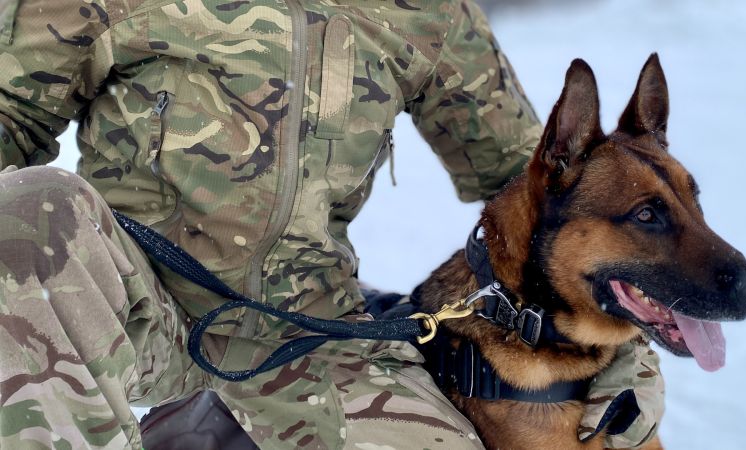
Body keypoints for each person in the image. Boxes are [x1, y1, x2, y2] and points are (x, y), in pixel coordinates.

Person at [0, 0, 663, 448]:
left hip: (309, 329)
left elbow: (544, 193)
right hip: (127, 301)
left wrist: (626, 351)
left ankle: (208, 430)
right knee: (37, 205)